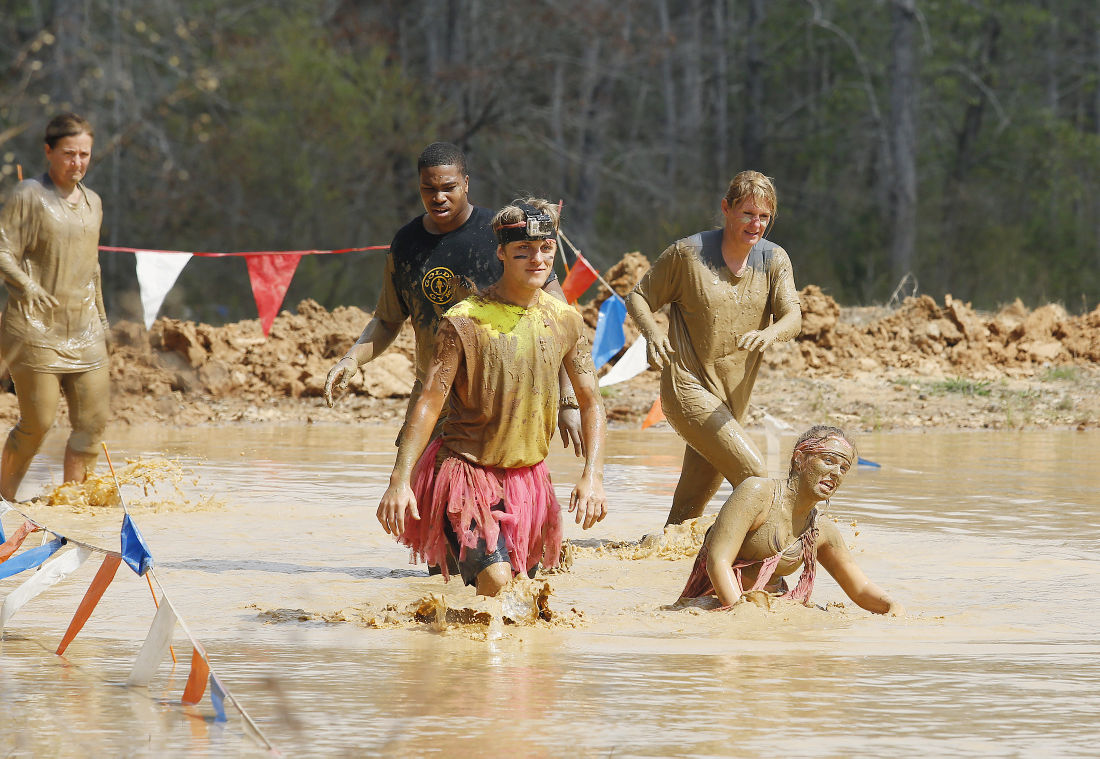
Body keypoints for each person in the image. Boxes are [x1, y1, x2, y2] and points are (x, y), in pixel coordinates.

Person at [376, 198, 606, 597]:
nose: (537, 259)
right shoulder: (464, 319)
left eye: (546, 248)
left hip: (528, 478)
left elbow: (591, 402)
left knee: (521, 594)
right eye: (523, 251)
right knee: (497, 581)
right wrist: (399, 480)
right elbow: (429, 401)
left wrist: (593, 476)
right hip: (466, 471)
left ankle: (451, 634)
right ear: (501, 253)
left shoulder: (566, 320)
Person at [324, 142, 583, 454]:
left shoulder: (501, 235)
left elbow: (559, 321)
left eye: (449, 188)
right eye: (429, 189)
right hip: (433, 392)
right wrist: (351, 359)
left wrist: (568, 399)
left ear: (466, 184)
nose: (438, 197)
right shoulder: (406, 243)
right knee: (410, 478)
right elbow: (388, 320)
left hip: (497, 398)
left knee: (490, 483)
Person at [626, 170, 802, 526]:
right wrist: (653, 333)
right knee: (756, 479)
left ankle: (665, 553)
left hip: (731, 401)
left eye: (764, 216)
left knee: (687, 512)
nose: (756, 224)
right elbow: (638, 297)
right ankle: (774, 555)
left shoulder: (774, 260)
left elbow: (793, 317)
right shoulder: (687, 255)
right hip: (687, 389)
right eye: (747, 213)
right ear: (726, 208)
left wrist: (770, 334)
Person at [678, 425, 903, 615]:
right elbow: (718, 562)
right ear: (799, 459)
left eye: (844, 468)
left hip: (773, 610)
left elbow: (860, 589)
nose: (836, 472)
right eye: (828, 460)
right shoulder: (757, 493)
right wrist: (743, 615)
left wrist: (892, 606)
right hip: (717, 607)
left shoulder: (821, 529)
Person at [0, 113, 110, 500]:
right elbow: (2, 250)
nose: (77, 162)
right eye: (68, 153)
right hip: (33, 328)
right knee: (39, 423)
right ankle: (3, 502)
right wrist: (27, 286)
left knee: (92, 425)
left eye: (84, 154)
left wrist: (103, 322)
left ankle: (72, 505)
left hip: (85, 329)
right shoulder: (29, 194)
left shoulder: (94, 202)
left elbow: (92, 268)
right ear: (49, 152)